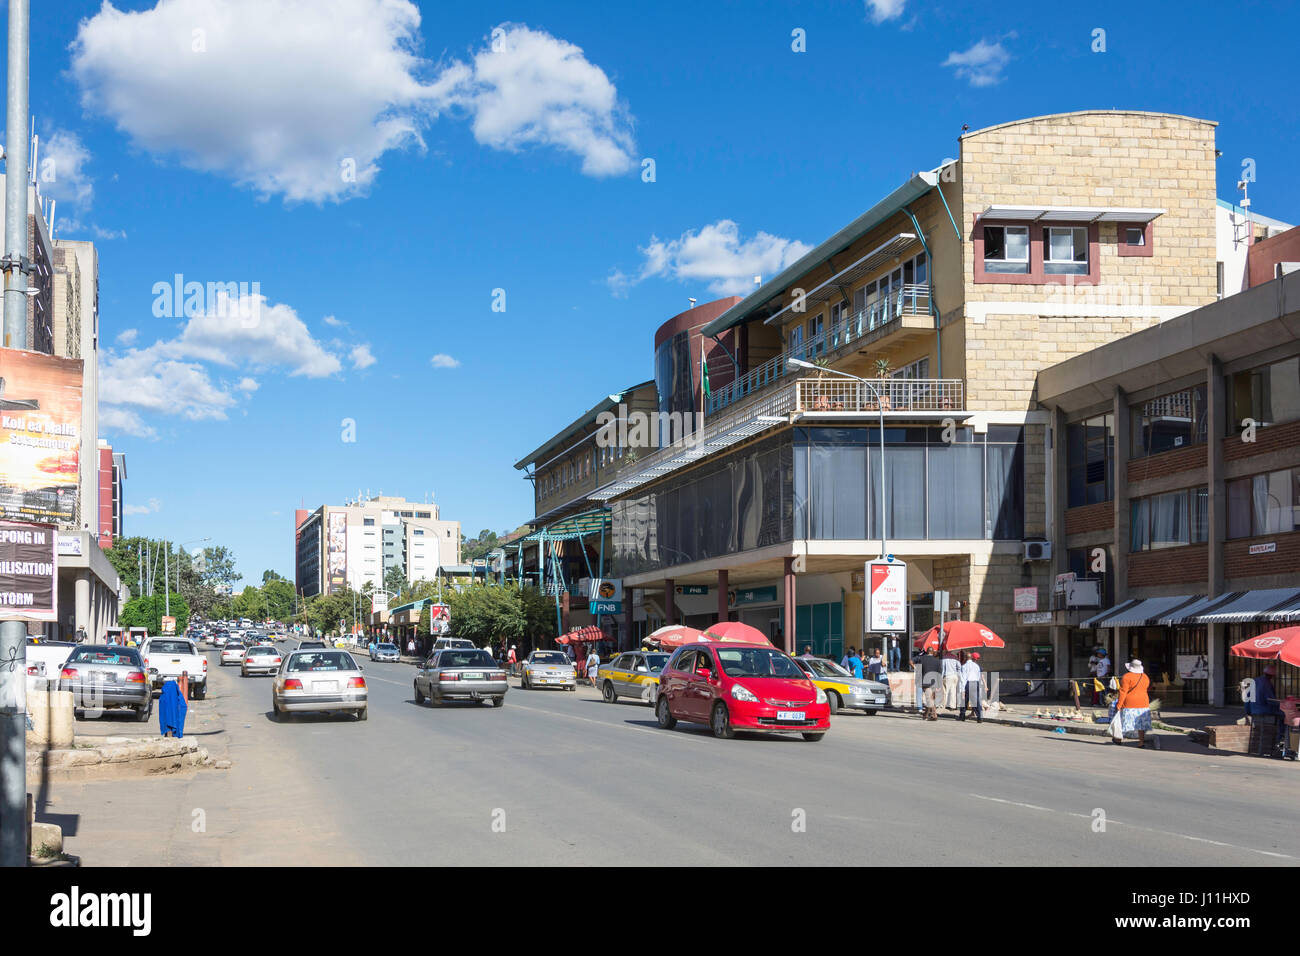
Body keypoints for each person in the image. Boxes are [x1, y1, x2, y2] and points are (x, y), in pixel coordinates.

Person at [1111, 658, 1152, 747]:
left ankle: (1118, 739)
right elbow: (1147, 687)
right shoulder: (1145, 677)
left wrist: (1119, 704)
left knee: (1122, 721)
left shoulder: (1127, 677)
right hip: (1144, 702)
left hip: (1129, 703)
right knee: (1141, 724)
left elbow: (1123, 692)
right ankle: (1141, 742)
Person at [958, 651, 983, 723]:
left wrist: (962, 689)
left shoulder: (964, 666)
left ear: (965, 658)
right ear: (971, 658)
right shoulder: (976, 666)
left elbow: (963, 679)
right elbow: (978, 676)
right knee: (976, 701)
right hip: (976, 683)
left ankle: (962, 716)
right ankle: (979, 717)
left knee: (964, 700)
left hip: (968, 683)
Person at [919, 647, 943, 721]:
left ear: (927, 652)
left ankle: (934, 715)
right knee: (931, 698)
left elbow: (919, 670)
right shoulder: (938, 661)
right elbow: (939, 673)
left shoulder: (922, 659)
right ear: (932, 652)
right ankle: (926, 715)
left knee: (929, 699)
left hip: (925, 682)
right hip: (934, 682)